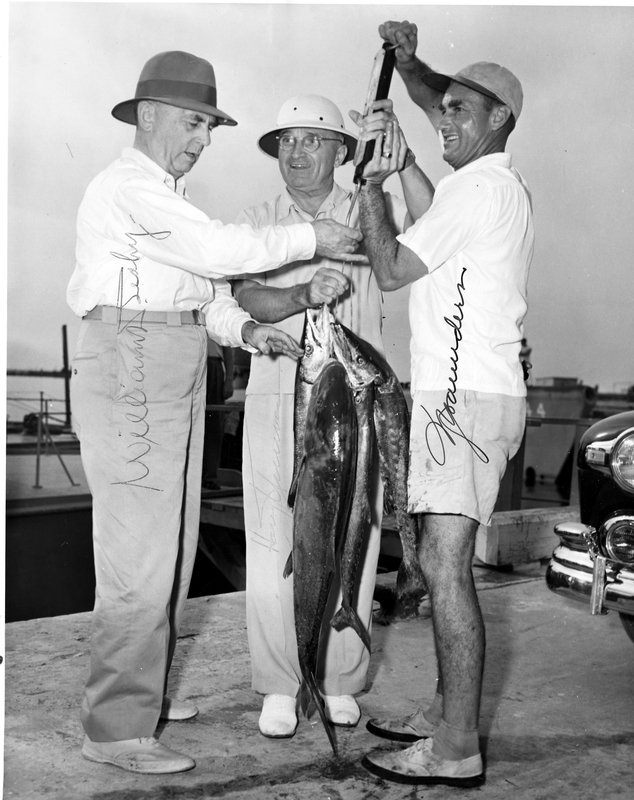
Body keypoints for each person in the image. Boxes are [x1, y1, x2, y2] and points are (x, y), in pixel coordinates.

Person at [67, 51, 364, 775]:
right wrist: (310, 238)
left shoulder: (168, 197)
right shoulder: (130, 186)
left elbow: (206, 292)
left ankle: (145, 693)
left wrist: (249, 331)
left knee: (170, 543)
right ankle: (115, 729)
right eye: (196, 122)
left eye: (209, 127)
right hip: (131, 357)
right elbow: (218, 250)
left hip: (174, 360)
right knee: (138, 553)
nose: (203, 139)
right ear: (148, 116)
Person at [352, 21, 534, 787]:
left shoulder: (482, 185)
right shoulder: (475, 190)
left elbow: (391, 268)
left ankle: (457, 746)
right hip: (460, 396)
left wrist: (368, 181)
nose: (447, 119)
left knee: (447, 569)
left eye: (463, 110)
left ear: (498, 122)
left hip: (464, 401)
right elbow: (431, 226)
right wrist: (408, 165)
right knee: (433, 559)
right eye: (443, 108)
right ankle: (445, 711)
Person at [232, 94, 434, 739]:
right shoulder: (257, 220)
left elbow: (429, 222)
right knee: (271, 541)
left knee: (357, 529)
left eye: (312, 141)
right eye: (285, 142)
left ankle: (342, 676)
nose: (295, 153)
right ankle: (280, 684)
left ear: (343, 151)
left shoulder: (370, 203)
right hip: (278, 399)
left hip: (362, 403)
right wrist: (298, 292)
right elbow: (247, 295)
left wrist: (397, 158)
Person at [201, 338, 234, 493]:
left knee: (213, 423)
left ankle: (210, 477)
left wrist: (229, 380)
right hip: (189, 361)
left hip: (213, 366)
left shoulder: (217, 315)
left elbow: (227, 348)